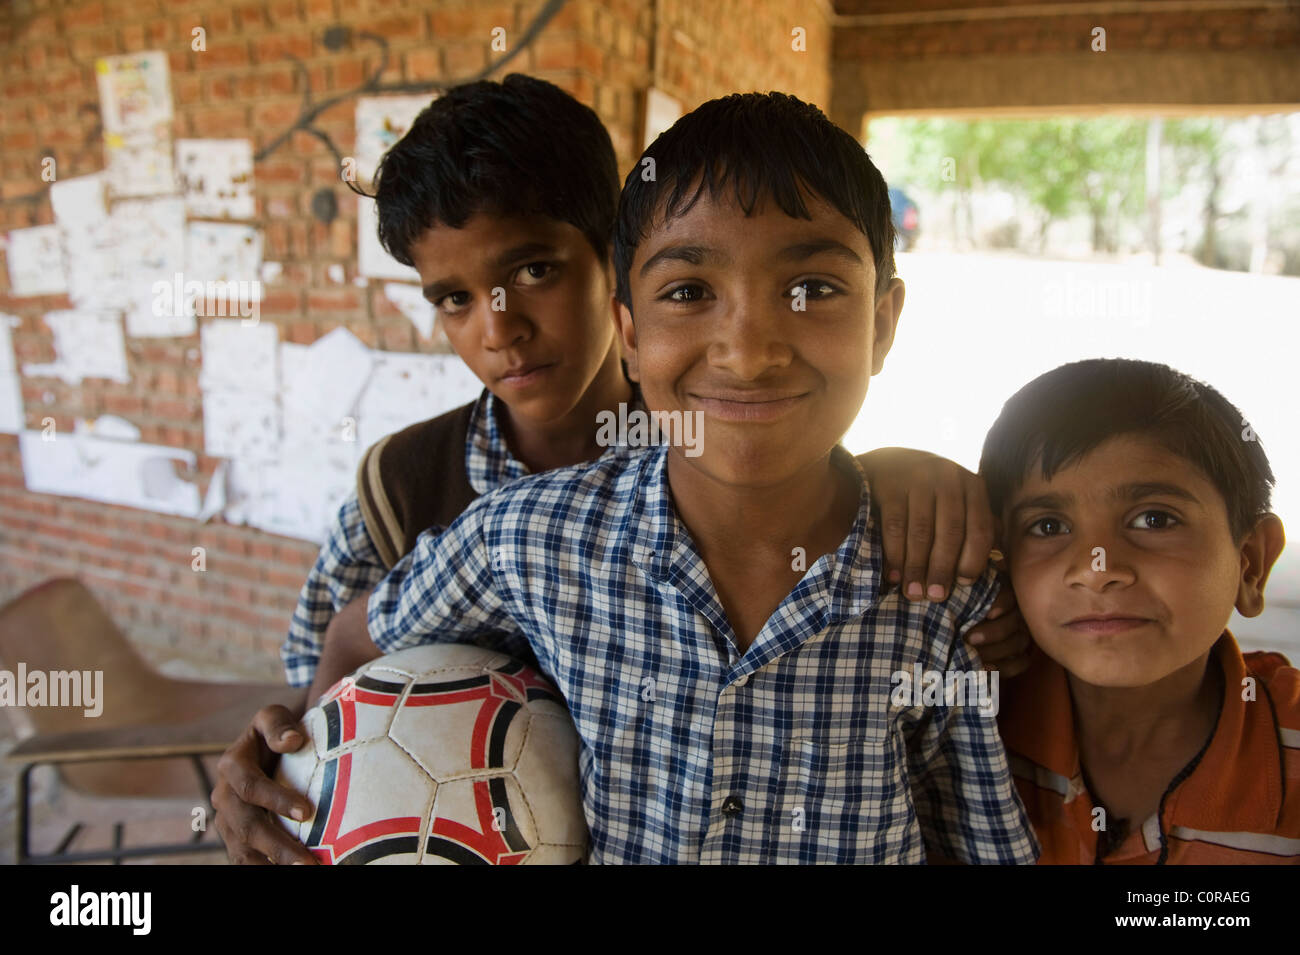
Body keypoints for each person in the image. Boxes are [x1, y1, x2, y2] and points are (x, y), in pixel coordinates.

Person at [213, 78, 1027, 864]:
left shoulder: (905, 549)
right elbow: (333, 677)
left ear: (612, 272)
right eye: (454, 298)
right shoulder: (431, 497)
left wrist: (918, 484)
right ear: (636, 321)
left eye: (535, 270)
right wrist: (284, 761)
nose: (501, 329)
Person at [982, 358, 1298, 864]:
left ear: (1250, 564)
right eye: (1047, 526)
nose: (1097, 568)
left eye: (1154, 519)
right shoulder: (961, 722)